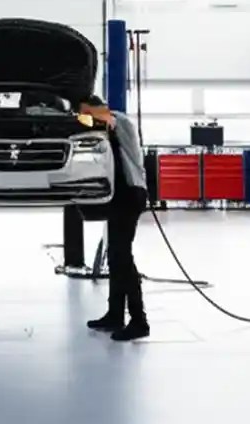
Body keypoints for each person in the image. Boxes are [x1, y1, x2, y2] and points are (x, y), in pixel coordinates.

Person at [79, 95, 151, 342]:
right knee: (115, 255)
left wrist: (76, 115)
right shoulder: (106, 122)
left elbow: (104, 120)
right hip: (117, 196)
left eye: (87, 111)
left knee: (122, 255)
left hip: (130, 193)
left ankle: (139, 321)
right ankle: (115, 314)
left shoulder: (118, 120)